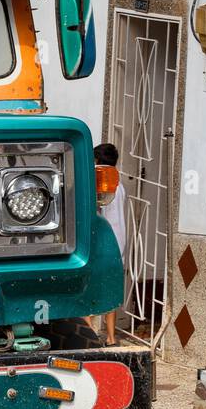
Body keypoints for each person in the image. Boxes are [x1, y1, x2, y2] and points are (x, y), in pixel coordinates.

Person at [94, 143, 128, 345]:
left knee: (92, 288)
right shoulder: (119, 184)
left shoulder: (102, 186)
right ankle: (111, 337)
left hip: (105, 243)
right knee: (110, 291)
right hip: (119, 241)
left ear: (97, 162)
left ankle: (89, 330)